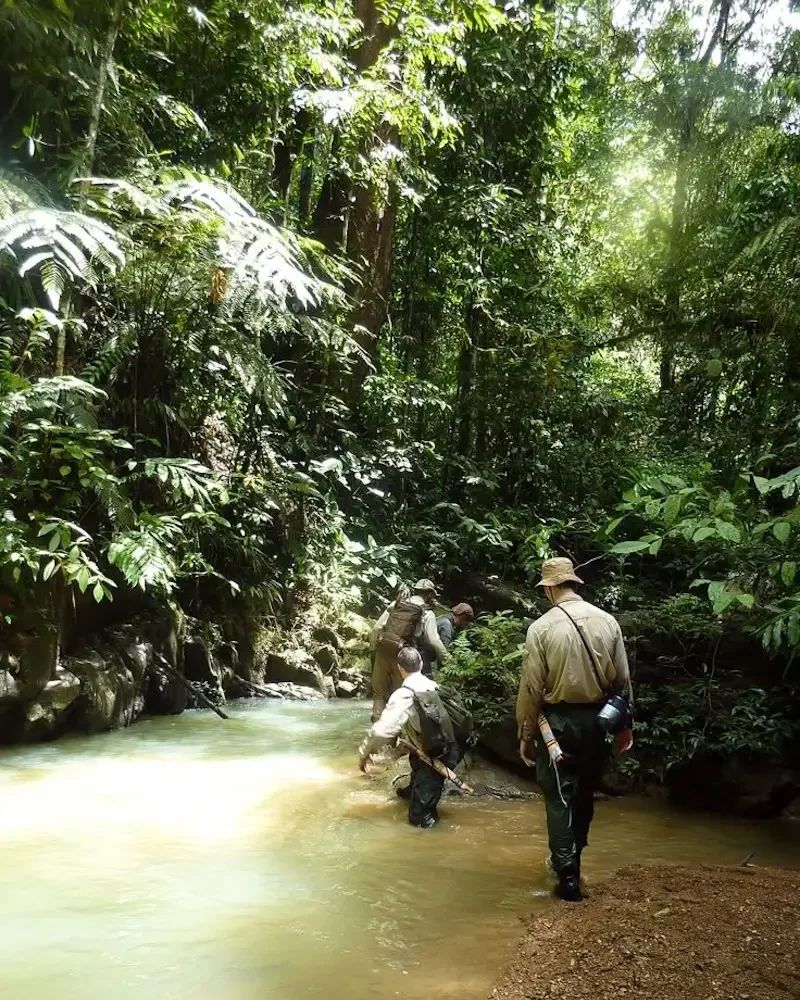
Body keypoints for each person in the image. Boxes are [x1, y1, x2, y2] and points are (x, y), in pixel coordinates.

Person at [516, 557, 633, 903]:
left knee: (558, 797)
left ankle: (567, 876)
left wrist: (525, 734)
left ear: (549, 588)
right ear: (574, 584)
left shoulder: (541, 628)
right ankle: (576, 859)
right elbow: (622, 680)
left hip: (557, 724)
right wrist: (625, 726)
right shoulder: (608, 621)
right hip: (599, 722)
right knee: (584, 792)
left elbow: (532, 689)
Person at [358, 645, 459, 828]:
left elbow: (380, 731)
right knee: (415, 756)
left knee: (419, 820)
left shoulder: (404, 694)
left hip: (437, 755)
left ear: (399, 668)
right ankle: (414, 788)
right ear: (421, 664)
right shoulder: (435, 685)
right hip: (450, 745)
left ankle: (432, 840)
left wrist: (364, 754)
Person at [369, 579, 450, 721]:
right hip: (403, 656)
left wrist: (374, 650)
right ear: (430, 595)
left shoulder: (397, 604)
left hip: (383, 649)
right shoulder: (427, 613)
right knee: (398, 696)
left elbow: (377, 627)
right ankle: (395, 739)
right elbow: (434, 640)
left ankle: (377, 733)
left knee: (379, 695)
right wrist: (448, 659)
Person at [420, 602, 475, 675]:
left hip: (421, 654)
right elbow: (443, 652)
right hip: (423, 657)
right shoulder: (446, 625)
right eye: (466, 622)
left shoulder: (443, 618)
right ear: (462, 616)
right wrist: (445, 672)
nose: (465, 625)